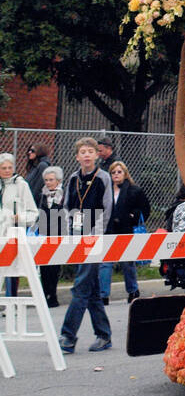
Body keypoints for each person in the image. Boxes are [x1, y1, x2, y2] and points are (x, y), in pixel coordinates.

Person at [59, 137, 113, 354]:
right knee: (90, 290)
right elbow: (66, 205)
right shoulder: (73, 178)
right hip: (76, 234)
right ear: (77, 156)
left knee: (80, 286)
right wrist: (70, 231)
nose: (87, 155)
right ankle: (104, 334)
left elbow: (107, 207)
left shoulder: (103, 178)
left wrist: (95, 235)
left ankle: (68, 336)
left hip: (94, 236)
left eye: (91, 151)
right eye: (83, 152)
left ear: (97, 155)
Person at [99, 161, 150, 306]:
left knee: (128, 263)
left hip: (126, 230)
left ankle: (133, 291)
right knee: (105, 263)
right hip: (109, 231)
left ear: (125, 173)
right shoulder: (105, 190)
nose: (116, 175)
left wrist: (134, 216)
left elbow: (145, 208)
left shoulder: (134, 190)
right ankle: (103, 295)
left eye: (119, 172)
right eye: (113, 172)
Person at [1, 152, 39, 299]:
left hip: (13, 233)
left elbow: (33, 213)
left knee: (12, 271)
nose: (7, 170)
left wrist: (19, 217)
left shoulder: (21, 185)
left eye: (9, 167)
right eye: (3, 167)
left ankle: (12, 301)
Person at [35, 165, 65, 306]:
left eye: (51, 180)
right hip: (44, 234)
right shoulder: (42, 195)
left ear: (58, 181)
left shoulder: (63, 195)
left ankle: (52, 294)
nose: (48, 183)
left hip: (58, 234)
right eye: (46, 180)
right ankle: (45, 294)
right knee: (44, 266)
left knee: (54, 267)